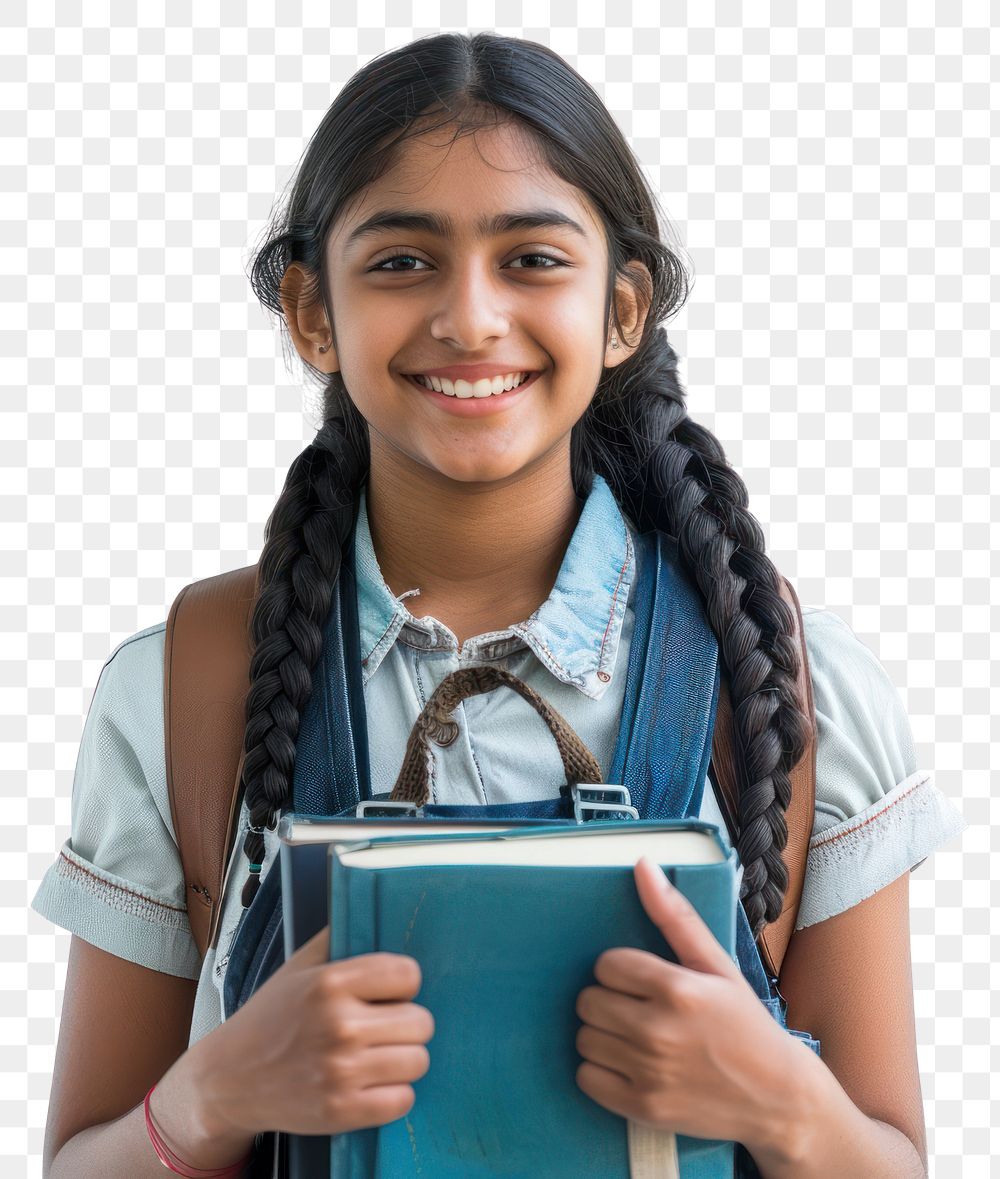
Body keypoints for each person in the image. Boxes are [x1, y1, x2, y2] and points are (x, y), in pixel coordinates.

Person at [31, 31, 966, 1179]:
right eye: (399, 263)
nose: (470, 319)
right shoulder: (183, 688)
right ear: (308, 313)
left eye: (531, 259)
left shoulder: (785, 684)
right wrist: (211, 1095)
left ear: (622, 310)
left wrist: (783, 1104)